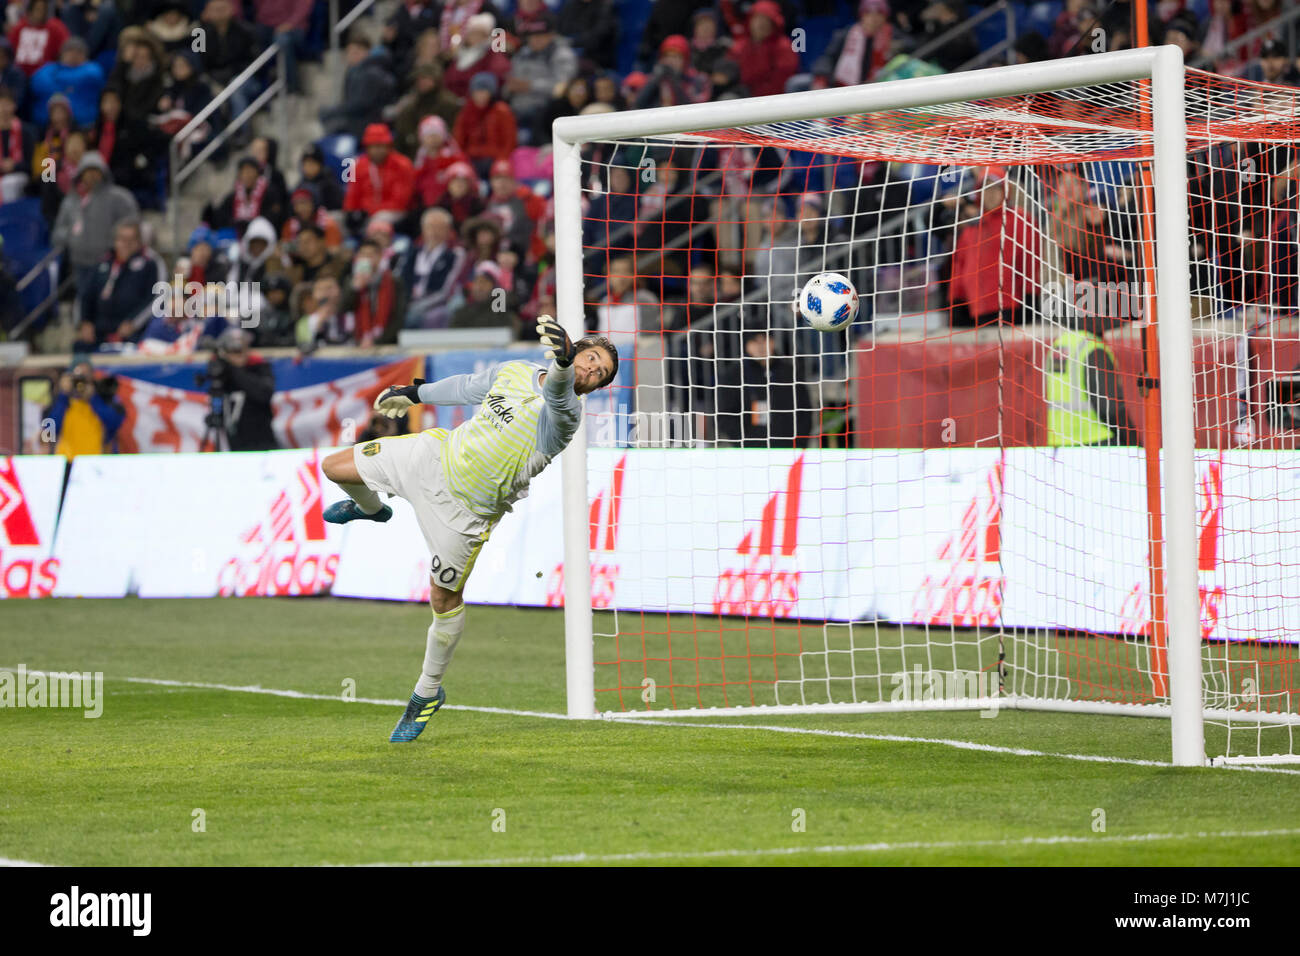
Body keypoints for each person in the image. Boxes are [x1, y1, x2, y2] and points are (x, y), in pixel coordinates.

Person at [319, 317, 619, 742]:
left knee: (443, 599)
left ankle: (426, 693)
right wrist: (416, 392)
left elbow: (557, 390)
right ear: (579, 351)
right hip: (433, 458)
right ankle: (372, 511)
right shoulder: (514, 371)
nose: (591, 371)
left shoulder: (566, 417)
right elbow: (465, 388)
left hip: (465, 516)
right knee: (336, 467)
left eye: (599, 373)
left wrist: (566, 364)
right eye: (591, 359)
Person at [1045, 314, 1136, 446]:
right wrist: (1133, 441)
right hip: (1095, 439)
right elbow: (1110, 408)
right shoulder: (1092, 348)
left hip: (1060, 440)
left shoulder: (1060, 344)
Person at [208, 328, 279, 451]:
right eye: (233, 350)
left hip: (261, 442)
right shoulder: (222, 372)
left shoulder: (260, 367)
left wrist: (232, 368)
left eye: (241, 348)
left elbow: (264, 393)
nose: (238, 353)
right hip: (232, 443)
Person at [45, 359, 125, 458]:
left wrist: (93, 398)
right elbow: (48, 433)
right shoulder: (61, 400)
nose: (80, 384)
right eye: (77, 379)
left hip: (97, 462)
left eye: (84, 378)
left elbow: (114, 423)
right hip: (67, 461)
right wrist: (64, 395)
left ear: (92, 377)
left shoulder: (105, 398)